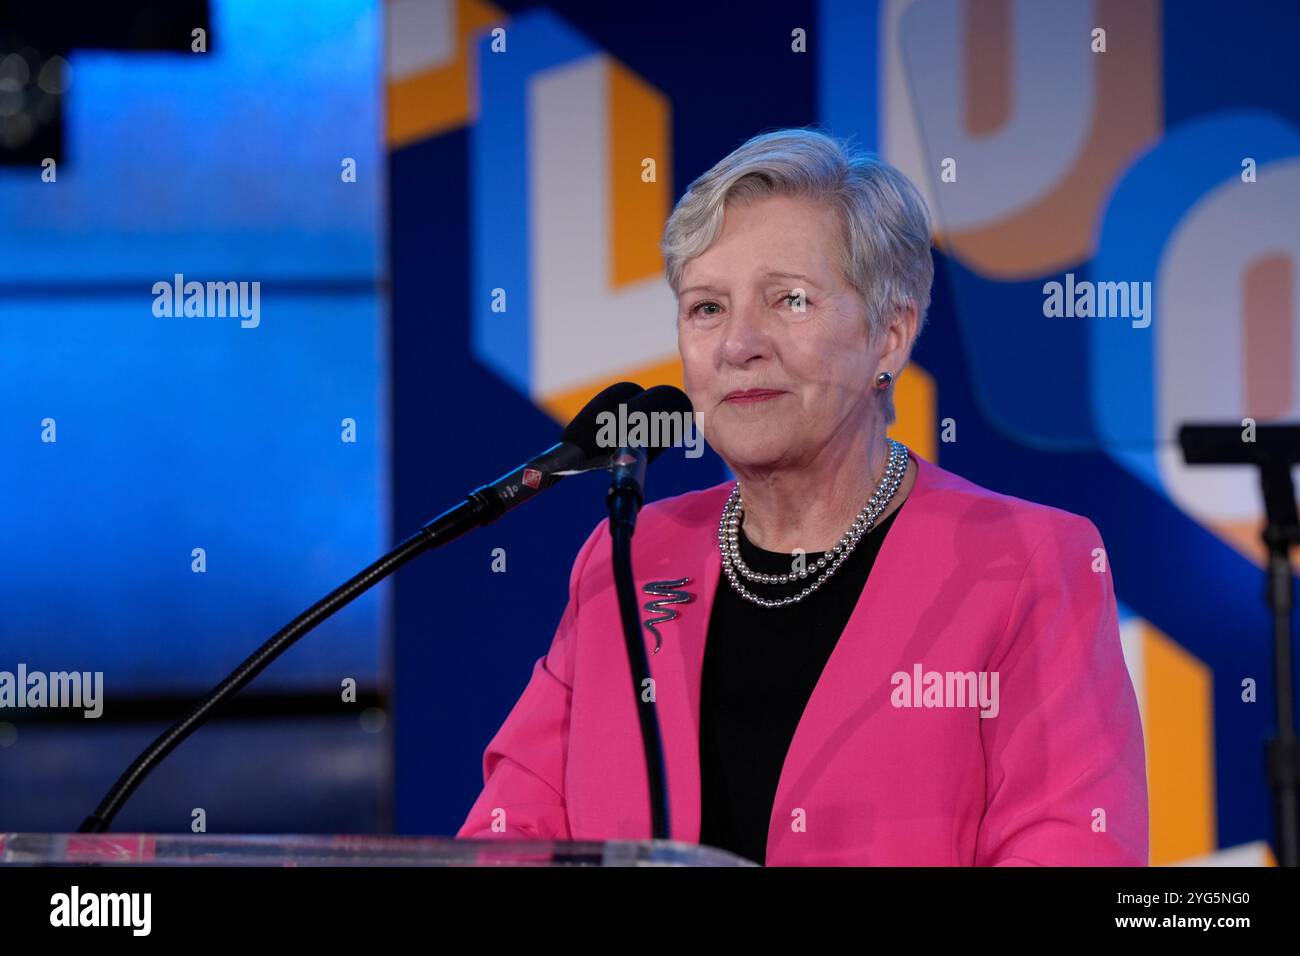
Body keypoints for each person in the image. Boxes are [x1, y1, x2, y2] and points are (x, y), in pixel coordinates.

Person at [457, 128, 1148, 866]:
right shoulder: (627, 555)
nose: (739, 345)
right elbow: (507, 835)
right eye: (706, 308)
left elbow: (1072, 847)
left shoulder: (1025, 561)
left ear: (891, 334)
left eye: (789, 300)